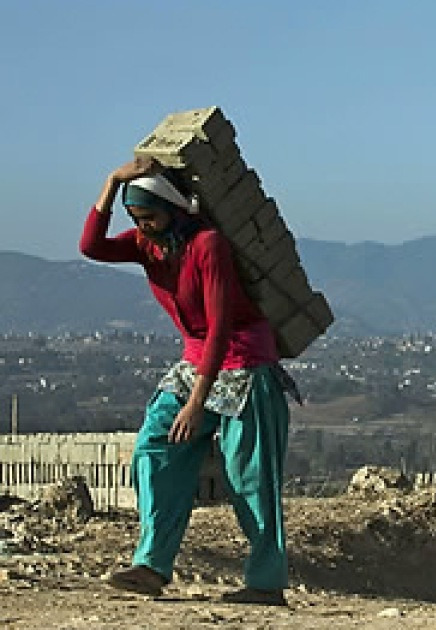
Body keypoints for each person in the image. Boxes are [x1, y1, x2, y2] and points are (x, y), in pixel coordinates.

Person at [80, 157, 291, 606]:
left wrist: (196, 403)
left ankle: (266, 582)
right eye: (136, 218)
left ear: (174, 208)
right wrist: (112, 181)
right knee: (154, 448)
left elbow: (220, 325)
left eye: (150, 215)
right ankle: (152, 564)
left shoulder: (207, 244)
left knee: (248, 477)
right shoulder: (146, 246)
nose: (145, 226)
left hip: (244, 363)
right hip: (196, 361)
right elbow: (90, 247)